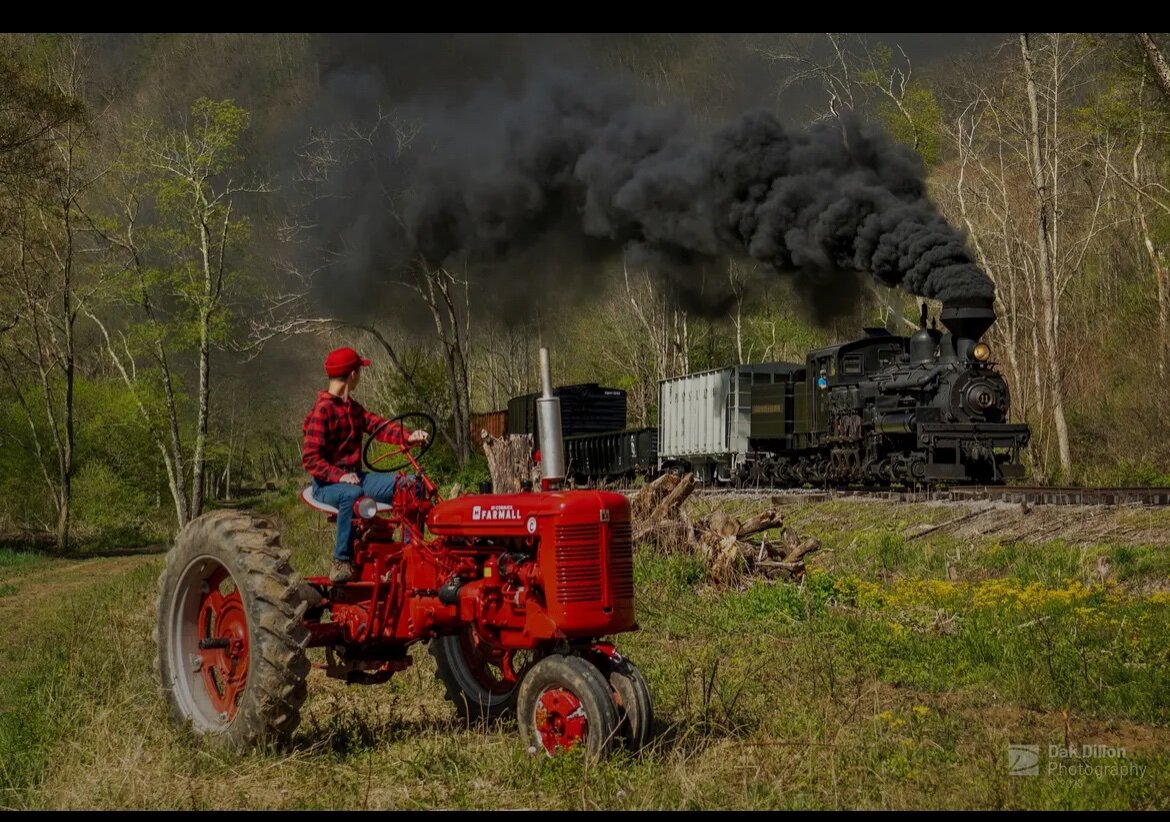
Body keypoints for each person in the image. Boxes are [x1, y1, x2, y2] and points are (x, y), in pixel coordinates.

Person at [302, 346, 429, 583]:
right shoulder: (323, 410)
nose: (359, 376)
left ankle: (414, 553)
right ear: (352, 375)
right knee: (352, 493)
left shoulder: (352, 408)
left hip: (357, 477)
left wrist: (408, 436)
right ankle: (341, 560)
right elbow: (310, 458)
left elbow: (379, 426)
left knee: (412, 485)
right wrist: (339, 476)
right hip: (327, 485)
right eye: (359, 371)